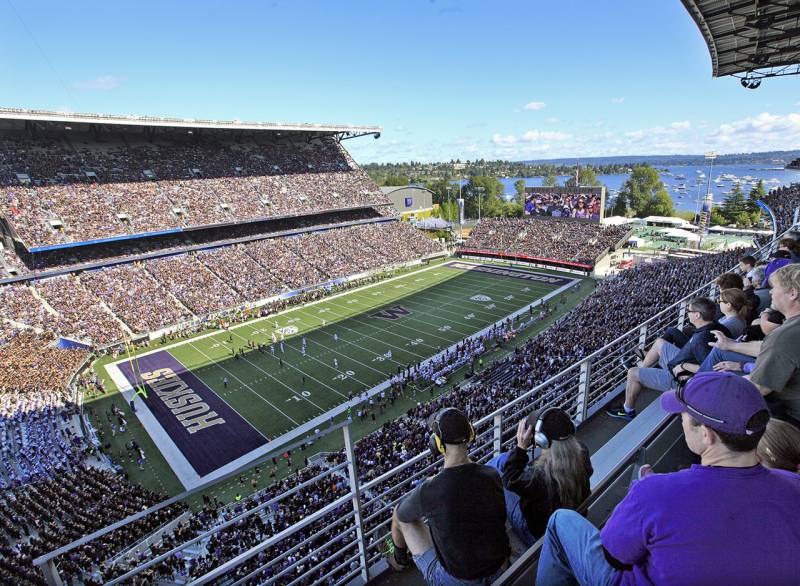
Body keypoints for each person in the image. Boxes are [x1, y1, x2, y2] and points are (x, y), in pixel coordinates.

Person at [536, 372, 800, 586]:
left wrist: (648, 497)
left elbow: (614, 557)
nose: (680, 420)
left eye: (683, 415)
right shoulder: (793, 485)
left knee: (561, 520)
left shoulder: (654, 491)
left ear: (707, 435)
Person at [387, 407, 510, 584]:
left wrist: (430, 486)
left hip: (460, 580)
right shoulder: (491, 474)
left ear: (437, 443)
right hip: (498, 568)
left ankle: (399, 559)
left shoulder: (430, 489)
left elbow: (402, 515)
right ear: (471, 433)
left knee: (398, 514)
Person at [487, 408, 592, 547]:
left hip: (539, 535)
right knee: (503, 459)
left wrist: (521, 447)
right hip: (571, 523)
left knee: (495, 467)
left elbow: (510, 480)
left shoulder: (539, 477)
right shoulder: (582, 453)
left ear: (542, 441)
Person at [608, 297, 726, 421]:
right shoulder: (716, 327)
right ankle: (643, 371)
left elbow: (709, 371)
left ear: (697, 315)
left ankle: (627, 411)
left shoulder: (701, 340)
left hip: (680, 377)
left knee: (632, 373)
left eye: (689, 311)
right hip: (682, 362)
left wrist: (683, 366)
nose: (687, 313)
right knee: (660, 343)